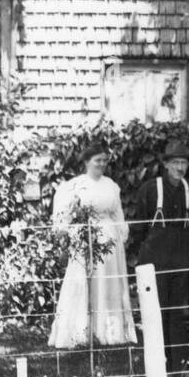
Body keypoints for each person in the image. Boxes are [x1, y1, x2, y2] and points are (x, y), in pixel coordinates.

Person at [48, 143, 136, 349]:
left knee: (109, 283)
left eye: (105, 160)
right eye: (98, 160)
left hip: (110, 240)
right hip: (85, 238)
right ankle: (80, 332)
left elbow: (117, 213)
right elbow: (64, 214)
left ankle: (110, 332)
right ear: (87, 162)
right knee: (83, 281)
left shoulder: (111, 185)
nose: (102, 164)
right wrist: (67, 233)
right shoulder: (75, 186)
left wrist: (121, 231)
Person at [135, 139, 189, 372]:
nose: (180, 168)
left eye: (184, 163)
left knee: (180, 310)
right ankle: (156, 362)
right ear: (166, 165)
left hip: (182, 253)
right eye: (176, 163)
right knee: (156, 309)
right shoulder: (150, 189)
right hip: (156, 255)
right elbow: (139, 227)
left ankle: (179, 363)